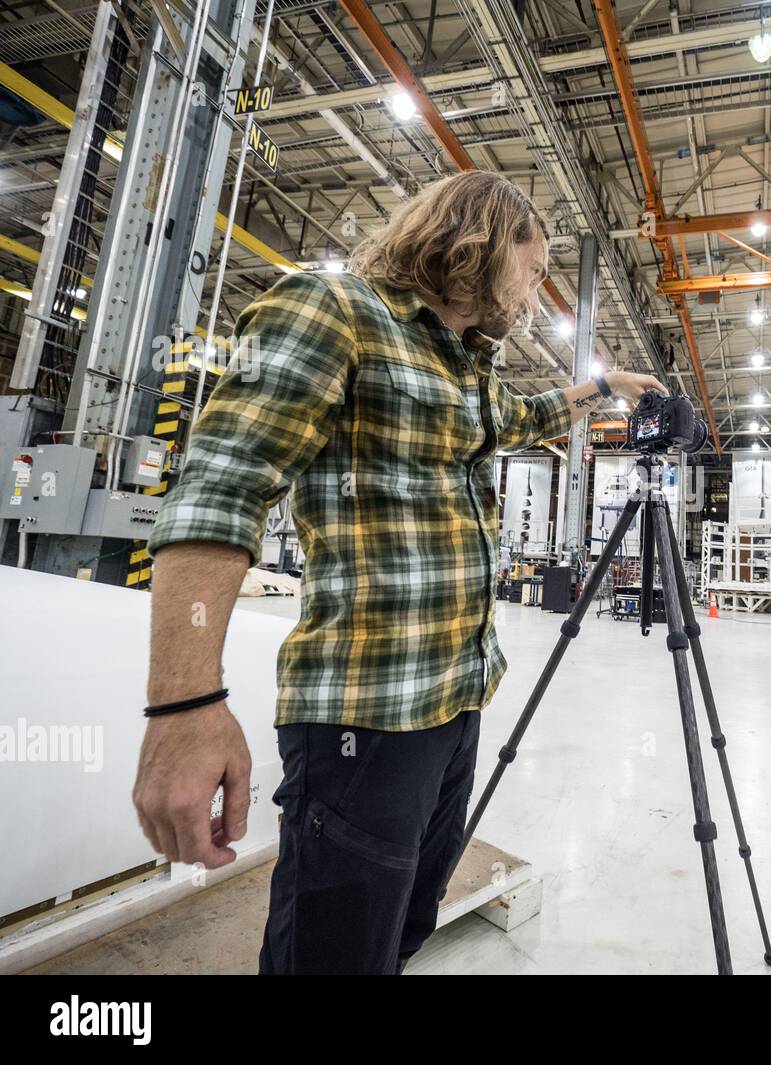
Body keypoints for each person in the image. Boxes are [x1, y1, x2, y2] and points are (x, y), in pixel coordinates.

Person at [132, 170, 667, 974]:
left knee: (402, 929)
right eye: (534, 262)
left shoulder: (465, 363)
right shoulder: (335, 311)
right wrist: (185, 704)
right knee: (334, 956)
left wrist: (601, 389)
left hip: (454, 708)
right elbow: (220, 488)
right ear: (485, 240)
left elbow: (517, 419)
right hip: (364, 723)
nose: (536, 288)